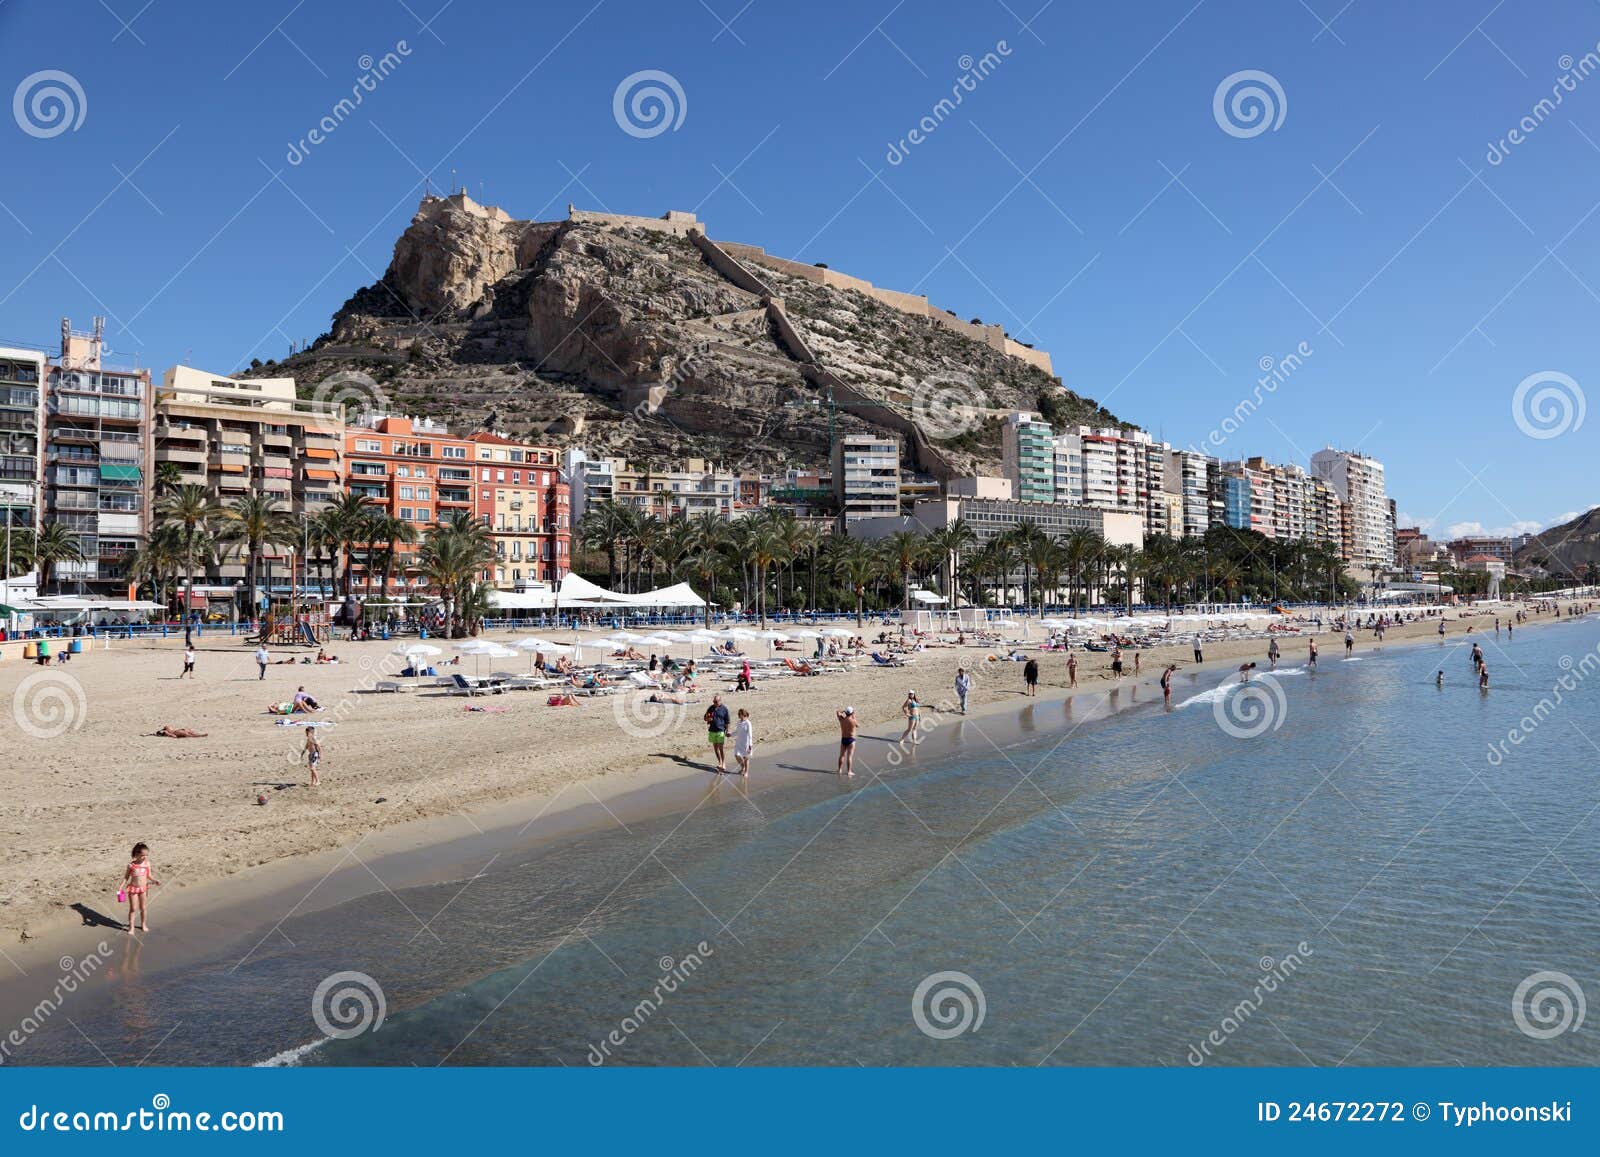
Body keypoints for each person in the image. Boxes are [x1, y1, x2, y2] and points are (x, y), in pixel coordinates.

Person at [120, 842, 159, 933]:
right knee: (133, 908)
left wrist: (154, 881)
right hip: (133, 889)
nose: (145, 857)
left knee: (143, 908)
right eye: (142, 855)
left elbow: (149, 875)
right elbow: (126, 877)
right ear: (136, 854)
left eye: (146, 855)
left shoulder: (147, 864)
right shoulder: (131, 865)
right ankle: (131, 927)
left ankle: (143, 924)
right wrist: (120, 887)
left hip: (143, 889)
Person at [704, 695, 730, 773]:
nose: (714, 703)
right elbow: (705, 718)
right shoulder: (710, 708)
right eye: (713, 701)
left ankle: (723, 763)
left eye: (716, 702)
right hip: (712, 730)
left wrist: (727, 730)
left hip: (720, 730)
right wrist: (707, 719)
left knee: (721, 748)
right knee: (715, 748)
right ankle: (720, 762)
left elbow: (727, 721)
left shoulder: (724, 709)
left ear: (720, 701)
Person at [836, 706, 858, 777]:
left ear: (846, 713)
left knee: (842, 755)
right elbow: (858, 725)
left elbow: (837, 712)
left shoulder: (841, 719)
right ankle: (849, 771)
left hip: (844, 739)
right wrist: (854, 717)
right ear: (852, 713)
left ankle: (839, 770)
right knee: (849, 757)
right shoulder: (853, 721)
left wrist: (843, 712)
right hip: (851, 739)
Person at [732, 708, 754, 777]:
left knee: (745, 758)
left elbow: (750, 734)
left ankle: (746, 772)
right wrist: (730, 734)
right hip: (739, 742)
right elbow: (736, 732)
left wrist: (750, 745)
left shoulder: (748, 723)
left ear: (743, 714)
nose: (738, 715)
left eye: (739, 714)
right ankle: (743, 767)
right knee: (736, 755)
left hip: (746, 743)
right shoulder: (739, 722)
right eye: (738, 714)